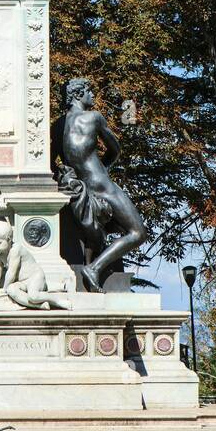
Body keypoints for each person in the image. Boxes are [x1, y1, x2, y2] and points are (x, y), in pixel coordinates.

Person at [51, 77, 147, 292]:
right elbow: (115, 149)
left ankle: (93, 266)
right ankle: (94, 268)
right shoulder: (94, 118)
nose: (92, 95)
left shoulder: (57, 126)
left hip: (81, 187)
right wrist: (103, 168)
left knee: (100, 233)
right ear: (78, 94)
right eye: (89, 91)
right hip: (103, 185)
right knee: (137, 233)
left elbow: (50, 161)